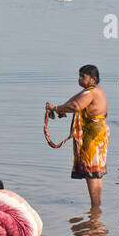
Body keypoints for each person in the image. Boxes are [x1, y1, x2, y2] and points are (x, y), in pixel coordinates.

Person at [47, 65, 109, 209]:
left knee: (91, 171)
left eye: (83, 76)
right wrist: (60, 107)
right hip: (98, 131)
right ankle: (96, 205)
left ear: (93, 79)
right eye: (79, 75)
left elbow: (75, 106)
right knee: (95, 170)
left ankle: (95, 207)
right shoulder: (90, 91)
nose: (79, 78)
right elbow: (73, 100)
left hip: (93, 133)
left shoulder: (91, 92)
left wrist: (56, 109)